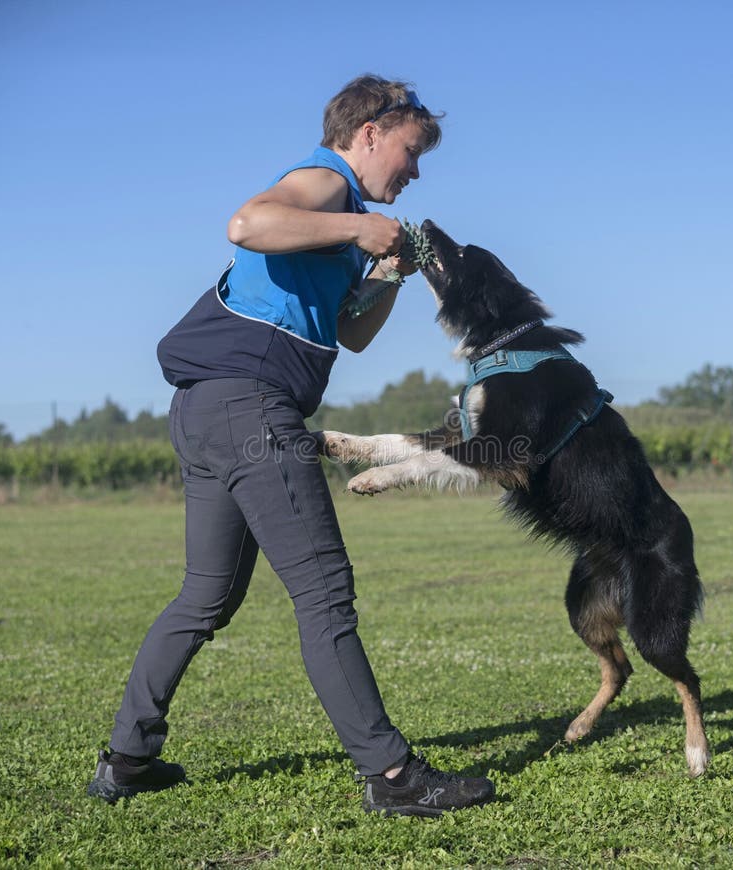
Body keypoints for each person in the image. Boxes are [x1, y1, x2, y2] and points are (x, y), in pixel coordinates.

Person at [87, 74, 495, 817]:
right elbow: (246, 224)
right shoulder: (323, 183)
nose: (415, 169)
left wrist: (390, 274)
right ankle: (394, 778)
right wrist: (357, 230)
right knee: (324, 592)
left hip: (209, 411)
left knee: (205, 596)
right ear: (369, 132)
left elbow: (350, 334)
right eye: (410, 151)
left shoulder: (343, 218)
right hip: (249, 410)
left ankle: (126, 760)